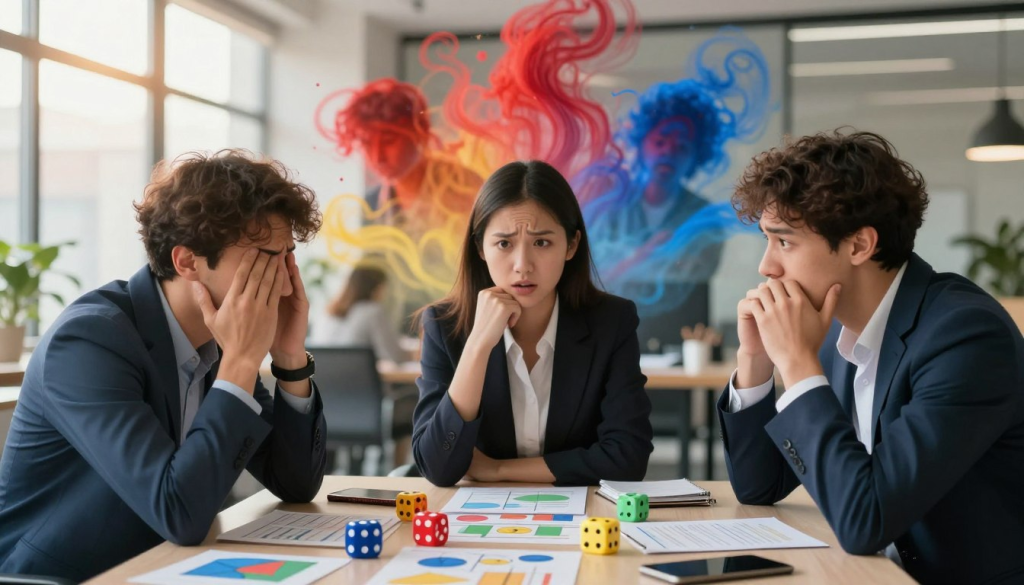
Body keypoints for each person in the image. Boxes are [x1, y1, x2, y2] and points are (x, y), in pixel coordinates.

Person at [0, 150, 329, 581]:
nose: (285, 282)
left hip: (161, 567)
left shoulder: (214, 343)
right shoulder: (88, 342)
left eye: (288, 257)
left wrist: (288, 360)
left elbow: (296, 484)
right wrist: (243, 360)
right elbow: (179, 512)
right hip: (66, 577)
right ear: (188, 261)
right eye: (265, 261)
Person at [718, 130, 1024, 584]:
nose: (766, 266)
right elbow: (759, 486)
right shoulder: (836, 327)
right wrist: (756, 356)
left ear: (860, 245)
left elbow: (867, 519)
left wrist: (800, 366)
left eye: (784, 242)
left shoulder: (965, 336)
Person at [412, 160, 654, 487]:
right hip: (476, 524)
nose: (522, 266)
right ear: (480, 247)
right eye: (504, 244)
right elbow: (438, 468)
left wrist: (498, 470)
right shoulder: (445, 325)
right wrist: (478, 345)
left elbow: (628, 458)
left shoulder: (612, 322)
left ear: (571, 245)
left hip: (584, 520)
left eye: (541, 242)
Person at [310, 264, 411, 363]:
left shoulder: (328, 312)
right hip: (358, 378)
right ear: (377, 288)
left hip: (326, 378)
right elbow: (395, 356)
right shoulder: (372, 311)